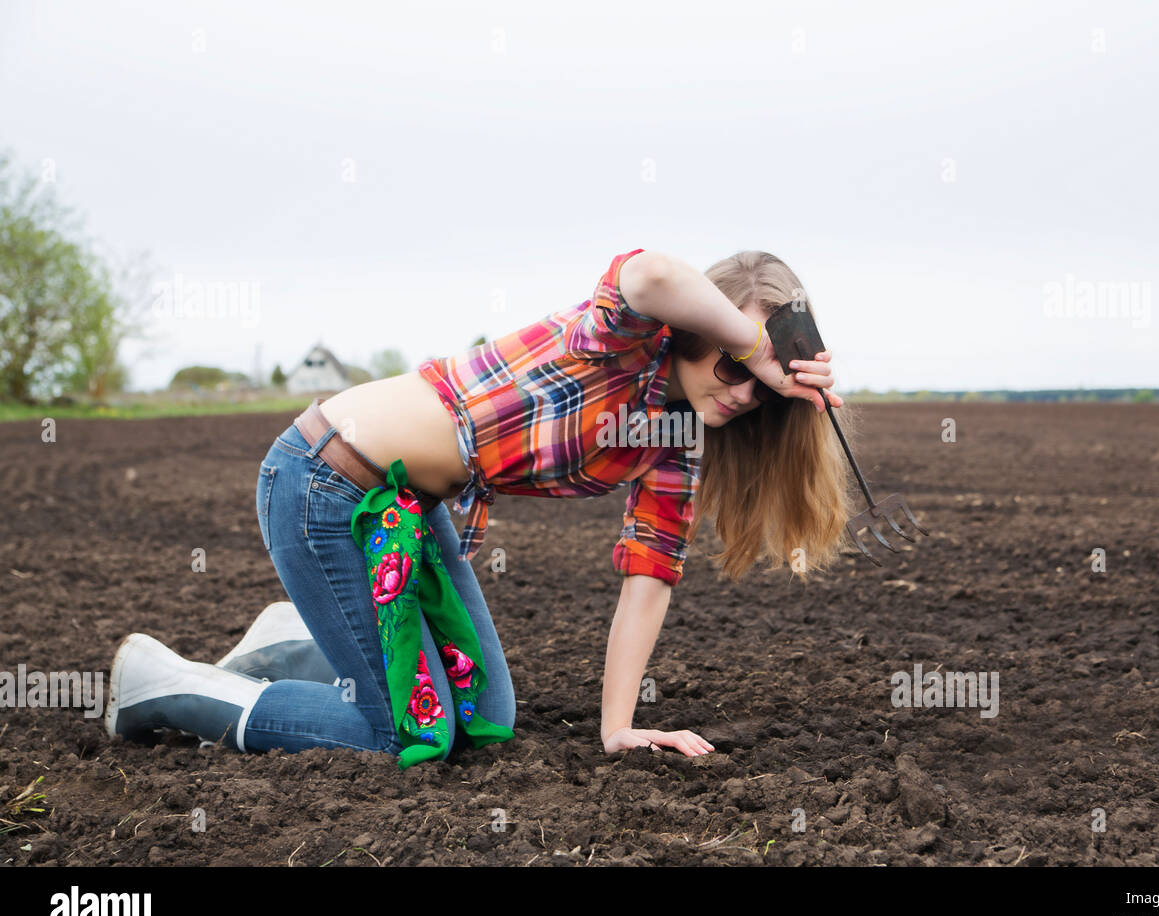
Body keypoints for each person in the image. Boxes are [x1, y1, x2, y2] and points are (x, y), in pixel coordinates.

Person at [105, 248, 853, 759]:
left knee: (484, 720)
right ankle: (164, 687)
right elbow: (650, 272)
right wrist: (756, 337)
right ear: (704, 328)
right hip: (324, 483)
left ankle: (293, 639)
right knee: (402, 736)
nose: (743, 387)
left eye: (763, 386)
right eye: (733, 361)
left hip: (404, 511)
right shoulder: (623, 339)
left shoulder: (672, 439)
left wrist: (618, 728)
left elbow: (650, 574)